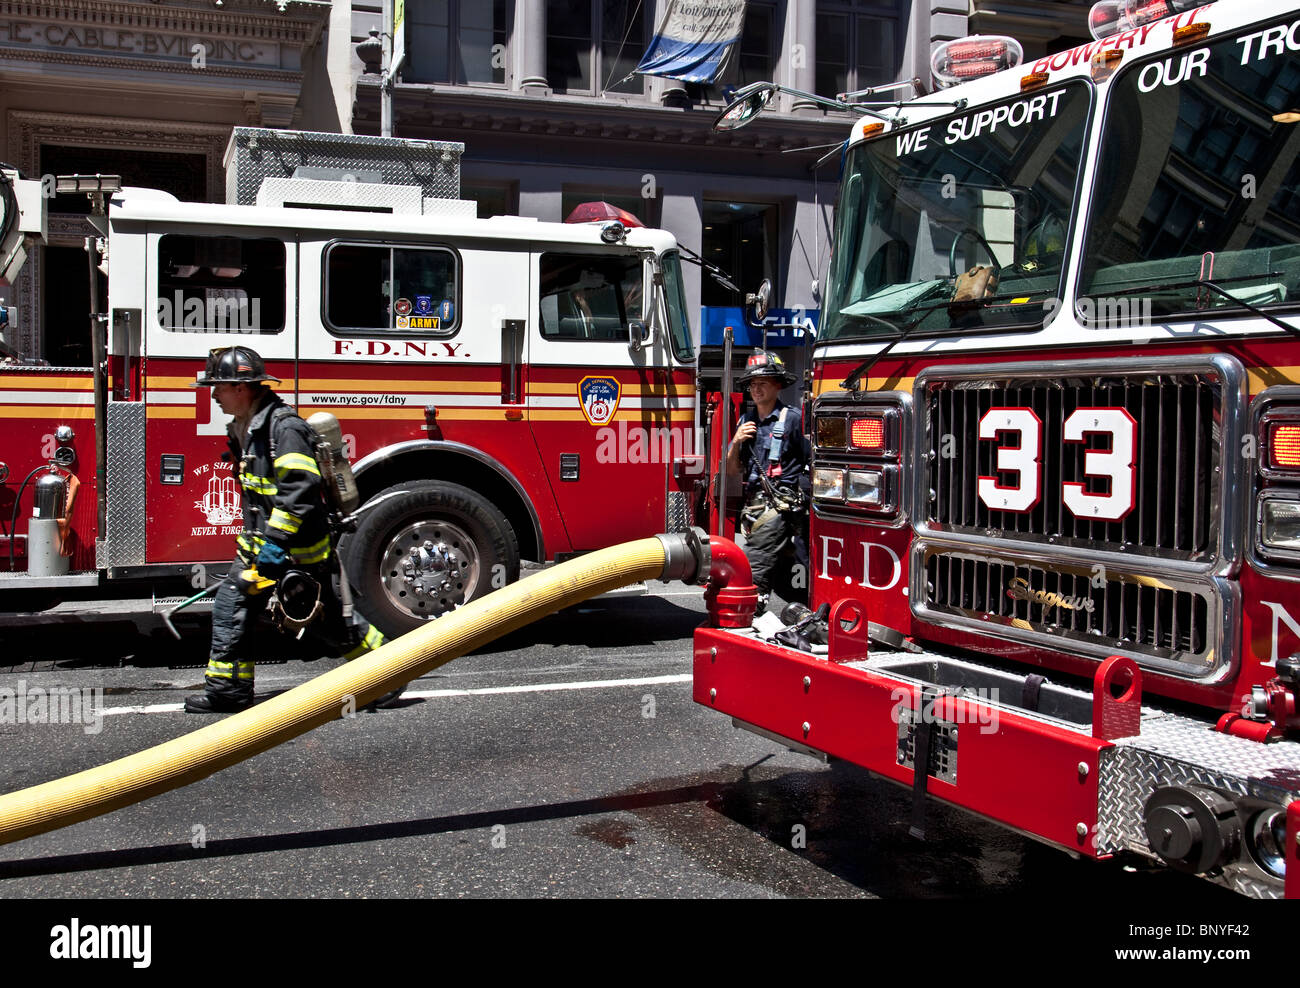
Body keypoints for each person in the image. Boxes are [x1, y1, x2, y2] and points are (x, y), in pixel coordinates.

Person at [185, 346, 392, 713]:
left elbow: (299, 492)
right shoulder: (247, 427)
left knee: (328, 623)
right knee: (233, 607)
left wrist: (275, 546)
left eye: (219, 386)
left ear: (242, 387)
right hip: (264, 548)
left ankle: (389, 675)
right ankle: (228, 693)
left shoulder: (285, 428)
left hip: (296, 552)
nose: (213, 395)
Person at [725, 350, 810, 614]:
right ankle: (808, 610)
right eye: (752, 384)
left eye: (763, 382)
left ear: (778, 385)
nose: (756, 388)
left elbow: (812, 462)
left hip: (781, 506)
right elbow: (732, 470)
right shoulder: (745, 422)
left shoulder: (794, 419)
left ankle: (750, 610)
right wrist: (736, 442)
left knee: (754, 563)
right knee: (785, 571)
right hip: (754, 507)